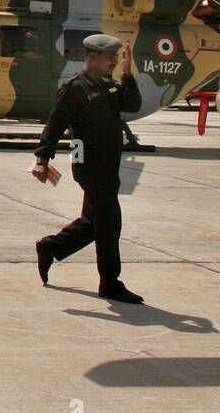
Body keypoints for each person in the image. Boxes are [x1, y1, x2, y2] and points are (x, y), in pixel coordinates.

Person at [29, 33, 144, 304]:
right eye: (109, 58)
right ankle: (110, 284)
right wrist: (42, 159)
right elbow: (55, 124)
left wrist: (128, 75)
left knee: (94, 223)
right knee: (109, 224)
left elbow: (132, 103)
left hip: (107, 166)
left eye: (116, 58)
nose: (114, 62)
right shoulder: (76, 88)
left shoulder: (108, 86)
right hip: (91, 166)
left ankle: (51, 246)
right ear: (92, 58)